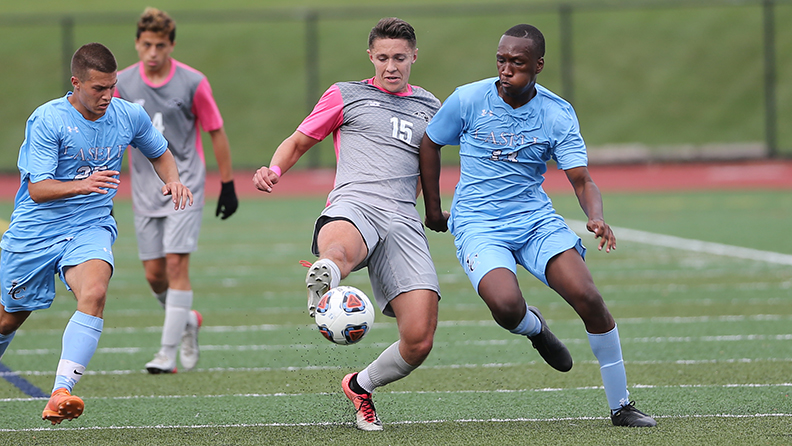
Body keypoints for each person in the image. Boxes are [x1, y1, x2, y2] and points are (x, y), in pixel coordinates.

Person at [419, 24, 657, 427]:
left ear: (538, 66)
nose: (506, 69)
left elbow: (582, 179)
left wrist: (595, 216)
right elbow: (430, 142)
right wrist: (434, 210)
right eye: (501, 60)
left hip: (534, 222)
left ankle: (621, 406)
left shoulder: (556, 112)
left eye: (517, 62)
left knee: (589, 298)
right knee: (506, 306)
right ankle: (535, 328)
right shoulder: (468, 99)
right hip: (480, 223)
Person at [253, 18, 441, 431]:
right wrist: (275, 169)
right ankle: (328, 278)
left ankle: (360, 385)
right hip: (356, 203)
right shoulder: (346, 94)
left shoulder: (430, 105)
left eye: (399, 58)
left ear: (413, 57)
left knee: (420, 337)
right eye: (382, 58)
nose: (391, 66)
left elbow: (437, 162)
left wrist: (439, 210)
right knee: (337, 252)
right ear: (370, 57)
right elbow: (300, 139)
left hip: (404, 220)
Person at [0, 42, 192, 425]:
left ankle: (61, 391)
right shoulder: (47, 120)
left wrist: (173, 181)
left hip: (89, 227)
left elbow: (159, 151)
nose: (108, 96)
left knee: (95, 292)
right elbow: (38, 189)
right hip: (35, 231)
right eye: (98, 89)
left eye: (113, 86)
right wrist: (83, 184)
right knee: (8, 320)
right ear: (76, 83)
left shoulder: (127, 115)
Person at [115, 7, 238, 374]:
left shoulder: (193, 82)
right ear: (137, 44)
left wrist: (228, 184)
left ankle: (166, 354)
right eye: (147, 45)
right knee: (154, 274)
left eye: (161, 46)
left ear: (171, 46)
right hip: (143, 189)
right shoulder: (121, 84)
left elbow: (216, 130)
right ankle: (186, 320)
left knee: (175, 264)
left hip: (186, 184)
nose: (153, 52)